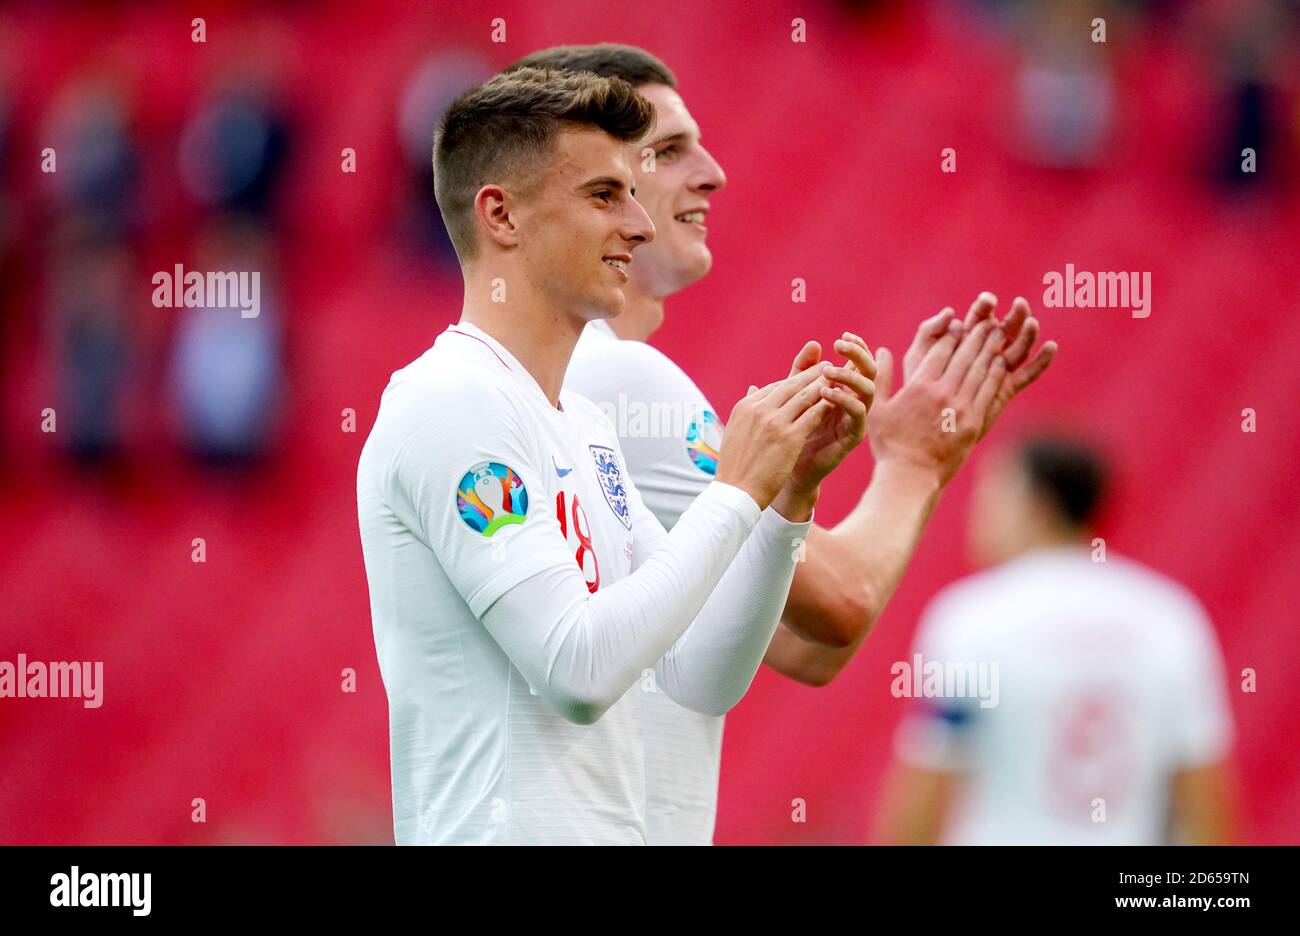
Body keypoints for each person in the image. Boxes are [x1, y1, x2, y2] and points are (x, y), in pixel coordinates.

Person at [506, 44, 1057, 844]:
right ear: (589, 192)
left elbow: (801, 648)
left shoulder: (552, 376)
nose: (713, 173)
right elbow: (837, 606)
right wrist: (911, 465)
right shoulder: (622, 379)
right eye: (666, 151)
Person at [356, 67, 874, 844]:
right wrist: (734, 491)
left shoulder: (585, 426)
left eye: (634, 195)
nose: (638, 225)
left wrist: (787, 496)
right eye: (605, 196)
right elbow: (577, 671)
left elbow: (698, 673)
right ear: (500, 214)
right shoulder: (450, 403)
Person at [877, 437, 1236, 845]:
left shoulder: (974, 620)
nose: (976, 512)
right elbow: (1202, 792)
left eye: (993, 493)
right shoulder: (1169, 620)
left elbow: (930, 777)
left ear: (1037, 504)